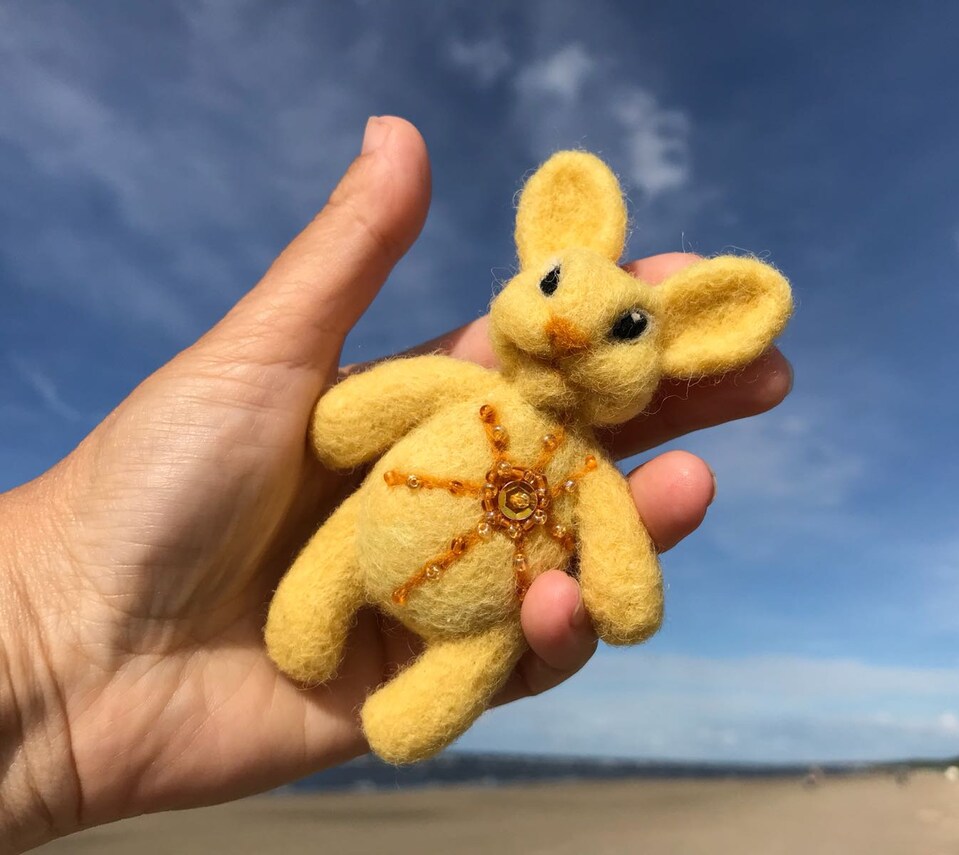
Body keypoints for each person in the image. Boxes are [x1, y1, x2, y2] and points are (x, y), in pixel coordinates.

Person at [0, 116, 792, 851]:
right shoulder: (466, 390)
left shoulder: (588, 470)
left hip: (479, 609)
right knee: (338, 557)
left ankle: (411, 685)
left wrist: (620, 595)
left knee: (485, 644)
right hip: (367, 529)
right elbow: (351, 421)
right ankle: (316, 611)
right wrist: (35, 622)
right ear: (534, 263)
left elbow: (620, 587)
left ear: (674, 350)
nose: (565, 327)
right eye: (553, 288)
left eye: (625, 330)